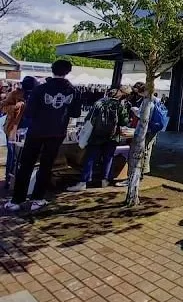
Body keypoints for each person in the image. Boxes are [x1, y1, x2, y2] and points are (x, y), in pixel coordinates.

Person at [5, 60, 82, 212]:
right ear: (68, 72)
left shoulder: (40, 89)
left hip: (37, 131)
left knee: (26, 165)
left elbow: (29, 112)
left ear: (52, 70)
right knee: (46, 166)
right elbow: (76, 113)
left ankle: (17, 200)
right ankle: (38, 198)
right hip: (57, 132)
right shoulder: (74, 91)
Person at [67, 87, 132, 192]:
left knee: (90, 158)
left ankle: (83, 182)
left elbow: (88, 118)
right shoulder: (120, 106)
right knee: (108, 158)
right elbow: (124, 122)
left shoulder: (99, 103)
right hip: (112, 136)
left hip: (96, 136)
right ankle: (105, 180)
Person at [3, 78, 38, 187]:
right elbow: (3, 106)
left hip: (30, 129)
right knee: (12, 155)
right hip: (13, 128)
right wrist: (16, 107)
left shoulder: (36, 95)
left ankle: (21, 181)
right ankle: (8, 180)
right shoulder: (15, 94)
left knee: (25, 156)